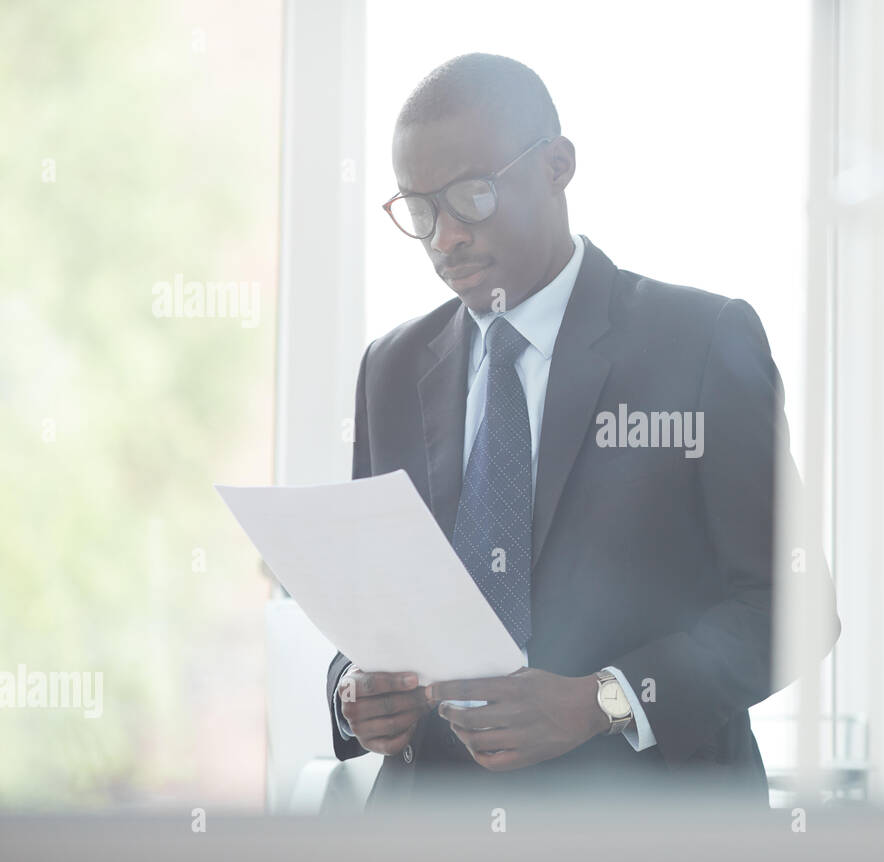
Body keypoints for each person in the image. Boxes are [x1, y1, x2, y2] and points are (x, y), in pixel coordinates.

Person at [326, 52, 838, 810]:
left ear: (556, 166)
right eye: (420, 209)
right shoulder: (392, 368)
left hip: (646, 822)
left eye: (472, 195)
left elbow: (792, 609)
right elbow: (377, 609)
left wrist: (605, 701)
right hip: (430, 824)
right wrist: (354, 692)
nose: (445, 238)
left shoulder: (698, 342)